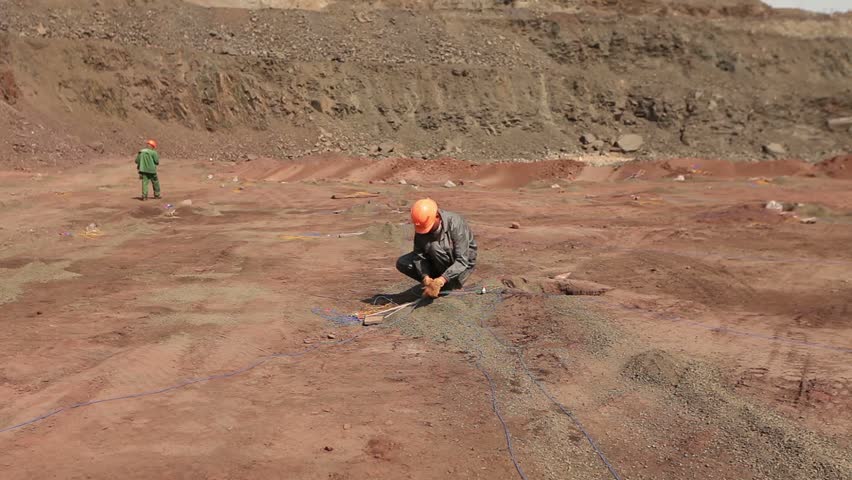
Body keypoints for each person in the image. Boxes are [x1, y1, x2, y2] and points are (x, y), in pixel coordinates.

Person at [396, 198, 477, 299]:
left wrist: (442, 279)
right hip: (437, 260)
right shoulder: (422, 225)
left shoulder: (455, 223)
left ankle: (450, 284)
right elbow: (419, 256)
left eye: (427, 228)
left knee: (434, 247)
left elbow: (462, 260)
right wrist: (425, 276)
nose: (425, 232)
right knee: (403, 262)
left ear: (437, 216)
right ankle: (433, 283)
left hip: (461, 267)